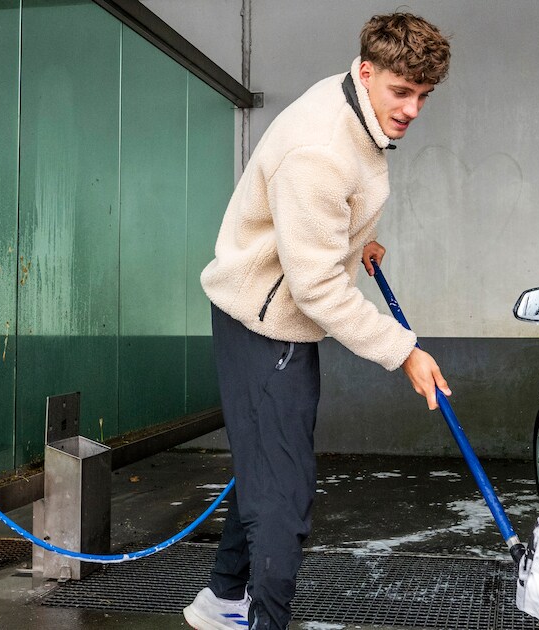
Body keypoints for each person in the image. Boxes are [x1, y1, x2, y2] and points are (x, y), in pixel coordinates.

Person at [182, 12, 452, 630]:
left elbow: (317, 218)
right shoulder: (319, 151)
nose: (412, 109)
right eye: (401, 91)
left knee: (266, 472)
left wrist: (356, 241)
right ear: (367, 72)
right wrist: (404, 351)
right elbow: (316, 287)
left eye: (423, 95)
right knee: (284, 497)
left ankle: (221, 599)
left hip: (274, 315)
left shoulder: (350, 102)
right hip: (265, 327)